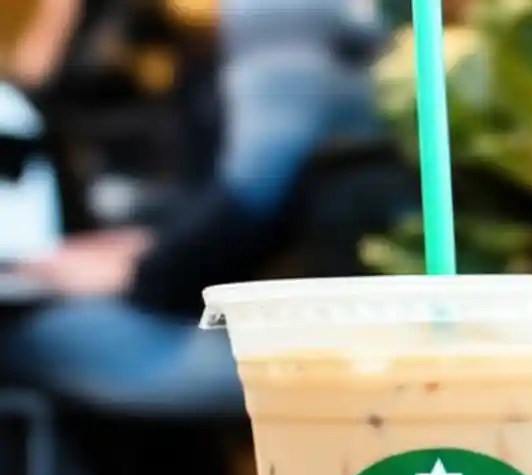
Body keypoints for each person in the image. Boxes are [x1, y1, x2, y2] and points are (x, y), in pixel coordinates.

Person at [1, 0, 390, 417]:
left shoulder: (278, 15)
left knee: (37, 333)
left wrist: (139, 270)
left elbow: (248, 198)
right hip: (329, 311)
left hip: (316, 334)